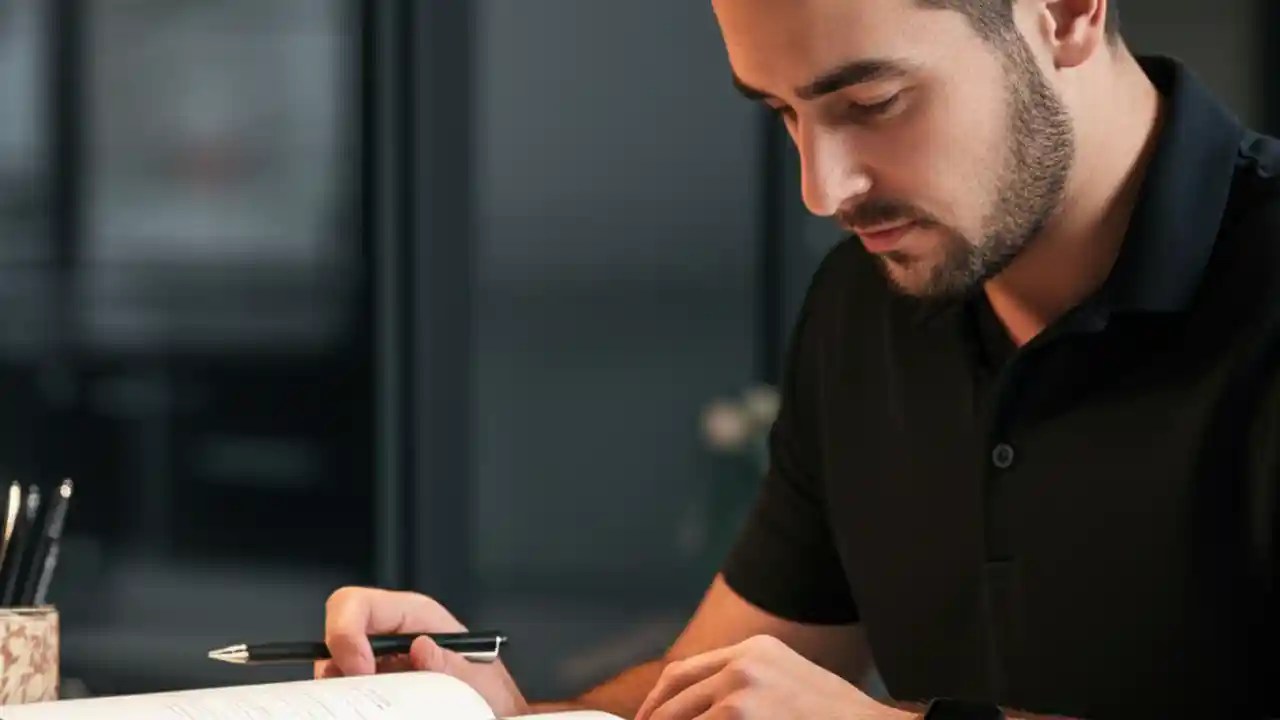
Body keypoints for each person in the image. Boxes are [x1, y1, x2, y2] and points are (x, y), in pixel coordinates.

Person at [319, 0, 1280, 718]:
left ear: (1067, 12)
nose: (824, 189)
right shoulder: (868, 305)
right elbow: (720, 687)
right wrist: (496, 712)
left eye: (874, 101)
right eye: (781, 113)